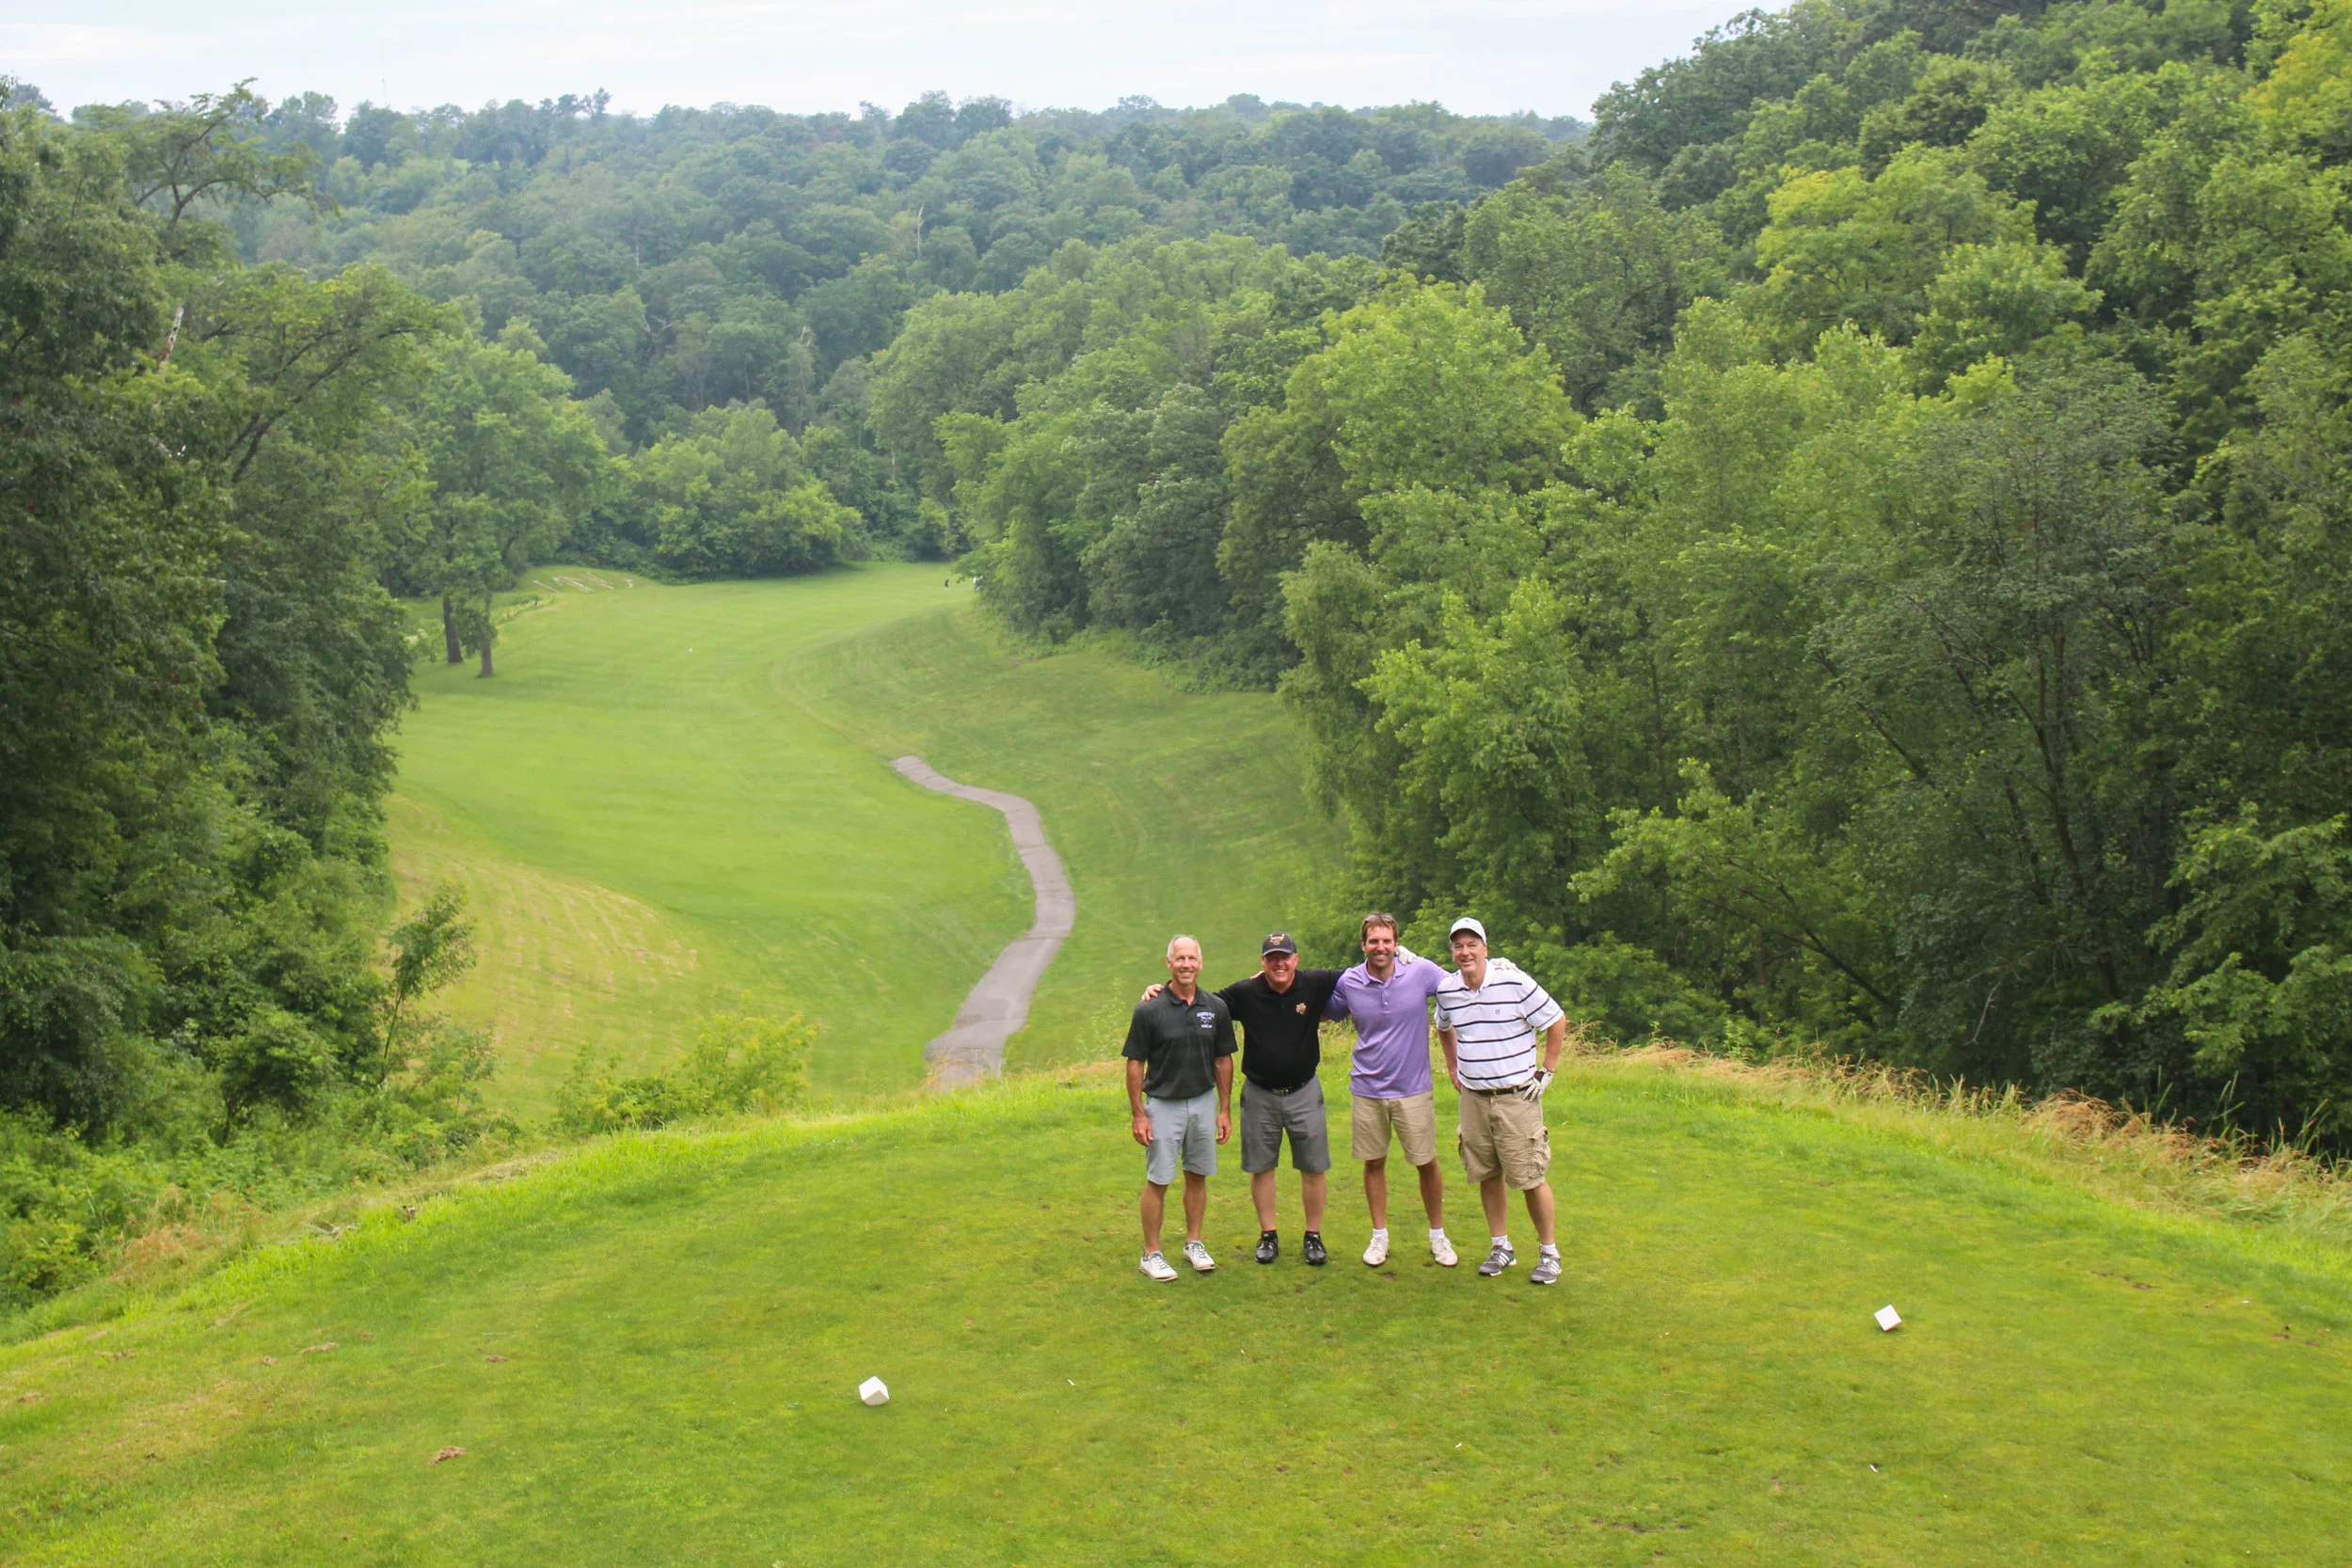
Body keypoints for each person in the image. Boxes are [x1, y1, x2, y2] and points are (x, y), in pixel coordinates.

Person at [1143, 932, 1349, 1266]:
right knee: (1261, 1166)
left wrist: (1400, 954)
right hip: (1260, 1093)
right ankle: (1268, 1234)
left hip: (1304, 1090)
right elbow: (1199, 1001)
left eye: (1285, 957)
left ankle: (1313, 1236)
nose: (1279, 963)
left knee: (1313, 1166)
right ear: (1263, 962)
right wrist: (1159, 990)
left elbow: (1364, 970)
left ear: (1296, 959)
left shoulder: (1315, 983)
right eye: (1272, 958)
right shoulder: (1244, 992)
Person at [1435, 917, 1570, 1285]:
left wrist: (1548, 1071)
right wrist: (1452, 1068)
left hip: (1516, 1098)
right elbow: (1443, 1027)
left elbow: (1556, 1020)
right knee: (1486, 1173)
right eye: (1458, 946)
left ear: (1485, 948)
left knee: (1529, 1176)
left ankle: (1549, 1253)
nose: (1465, 952)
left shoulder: (1515, 982)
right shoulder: (1447, 989)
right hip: (1474, 1099)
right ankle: (1501, 1247)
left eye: (1472, 944)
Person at [1327, 912, 1458, 1268]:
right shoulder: (1350, 981)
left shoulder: (1420, 971)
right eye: (1374, 941)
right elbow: (1322, 1009)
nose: (1380, 947)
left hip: (1414, 1088)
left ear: (1396, 943)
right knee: (1374, 1163)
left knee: (1426, 1161)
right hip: (1368, 1088)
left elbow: (1461, 988)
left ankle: (1437, 1236)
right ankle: (1379, 1236)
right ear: (1363, 945)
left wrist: (1498, 970)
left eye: (1387, 941)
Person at [1122, 934, 1235, 1282]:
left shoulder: (1215, 1007)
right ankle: (1151, 1253)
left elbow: (1223, 1060)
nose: (1187, 965)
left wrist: (1225, 1109)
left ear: (1200, 964)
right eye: (1180, 959)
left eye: (1192, 959)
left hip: (1202, 1101)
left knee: (1197, 1174)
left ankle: (1194, 1242)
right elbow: (1135, 1064)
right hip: (1162, 1104)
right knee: (1159, 1179)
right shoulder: (1149, 1010)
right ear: (1169, 963)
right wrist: (1139, 1113)